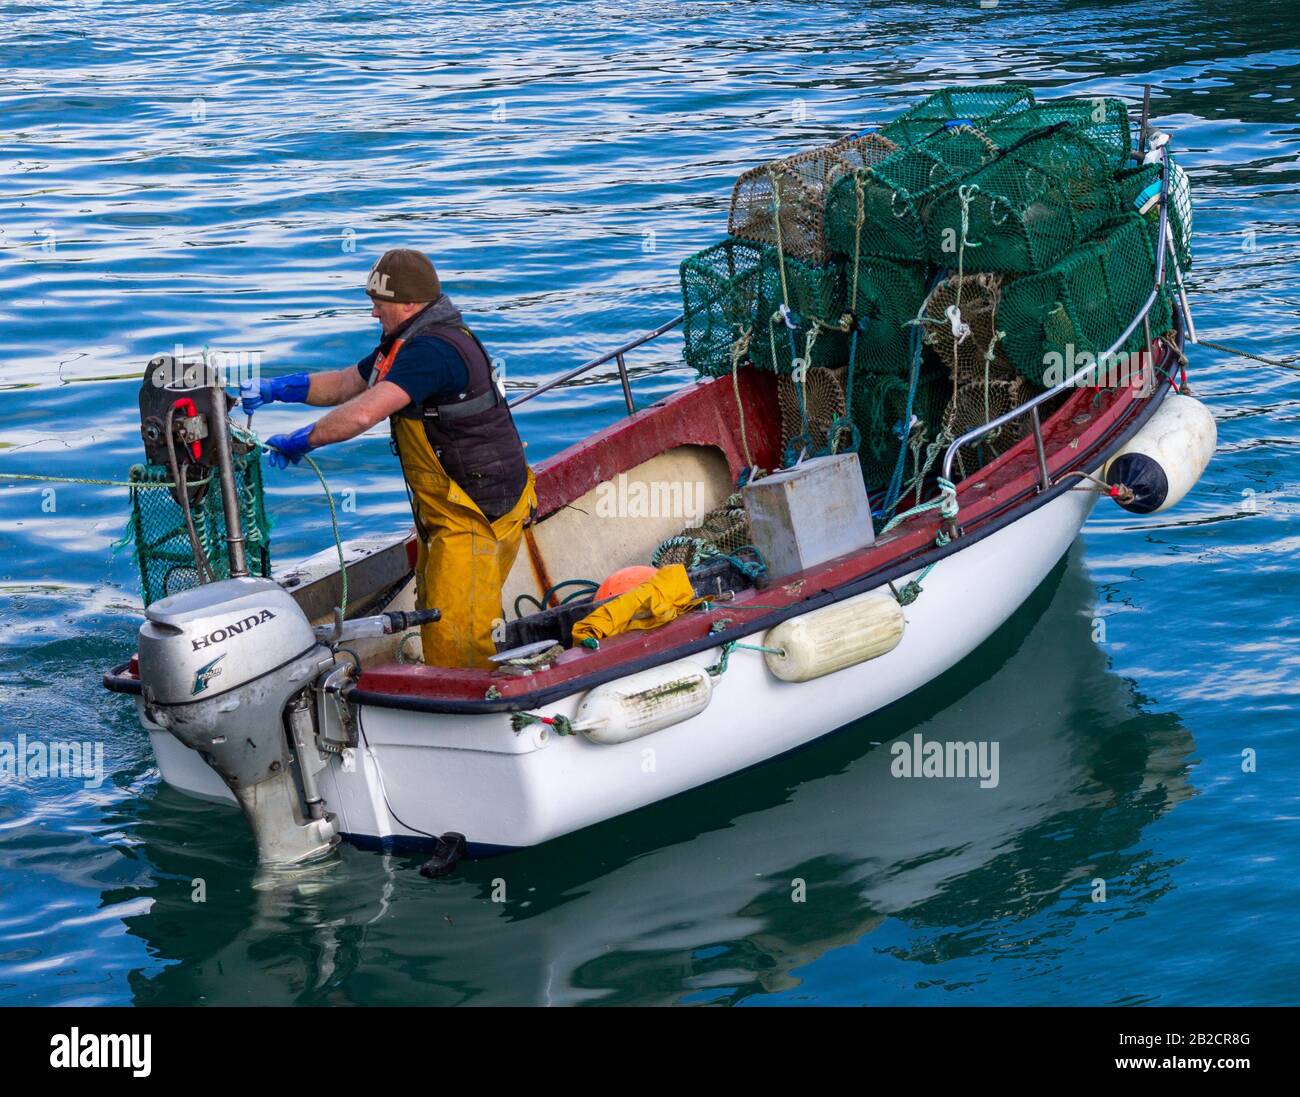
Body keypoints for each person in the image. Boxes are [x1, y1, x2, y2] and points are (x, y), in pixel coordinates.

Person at [244, 248, 535, 669]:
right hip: (447, 509)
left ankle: (469, 705)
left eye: (379, 306)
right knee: (437, 602)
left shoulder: (432, 352)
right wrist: (280, 388)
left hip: (476, 514)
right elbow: (347, 385)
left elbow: (364, 411)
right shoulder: (404, 342)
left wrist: (301, 440)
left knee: (458, 632)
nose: (374, 314)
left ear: (409, 303)